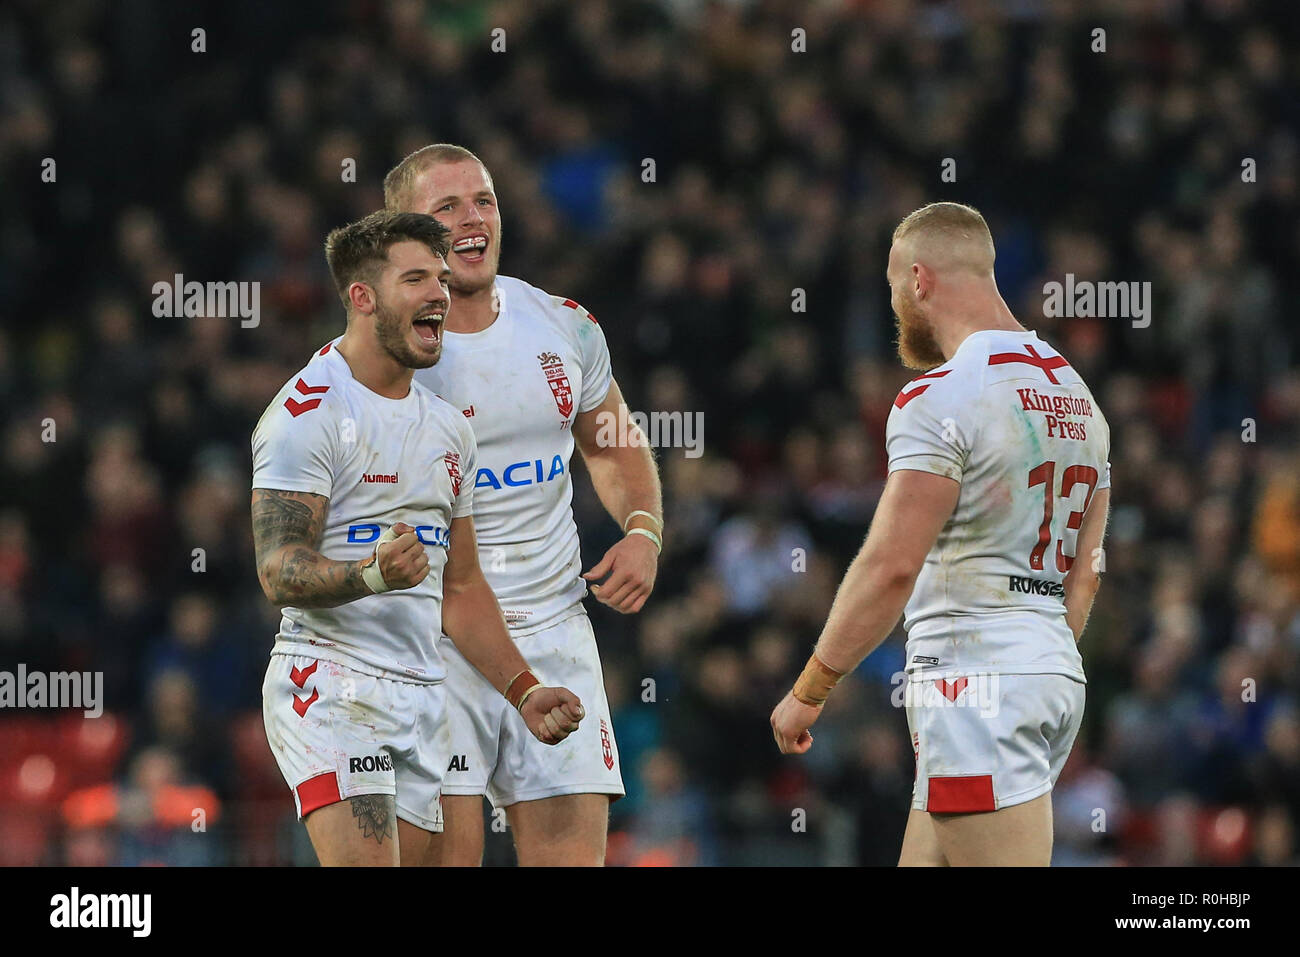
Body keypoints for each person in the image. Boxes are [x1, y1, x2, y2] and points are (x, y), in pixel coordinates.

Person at [770, 202, 1111, 866]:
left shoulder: (942, 394)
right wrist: (1034, 660)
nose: (897, 304)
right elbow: (1087, 568)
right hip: (1044, 667)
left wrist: (809, 689)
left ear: (920, 280)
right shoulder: (1077, 395)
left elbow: (892, 565)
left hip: (972, 681)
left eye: (896, 286)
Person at [251, 209, 584, 866]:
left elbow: (459, 588)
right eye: (415, 278)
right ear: (362, 296)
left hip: (422, 690)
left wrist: (523, 689)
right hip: (333, 682)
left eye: (440, 276)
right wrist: (368, 575)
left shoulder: (448, 429)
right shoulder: (309, 412)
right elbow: (278, 568)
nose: (439, 292)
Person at [383, 144, 663, 866]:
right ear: (406, 232)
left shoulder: (562, 325)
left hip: (554, 629)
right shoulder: (388, 359)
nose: (472, 218)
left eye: (483, 200)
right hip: (437, 644)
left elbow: (612, 444)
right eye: (446, 207)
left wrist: (643, 530)